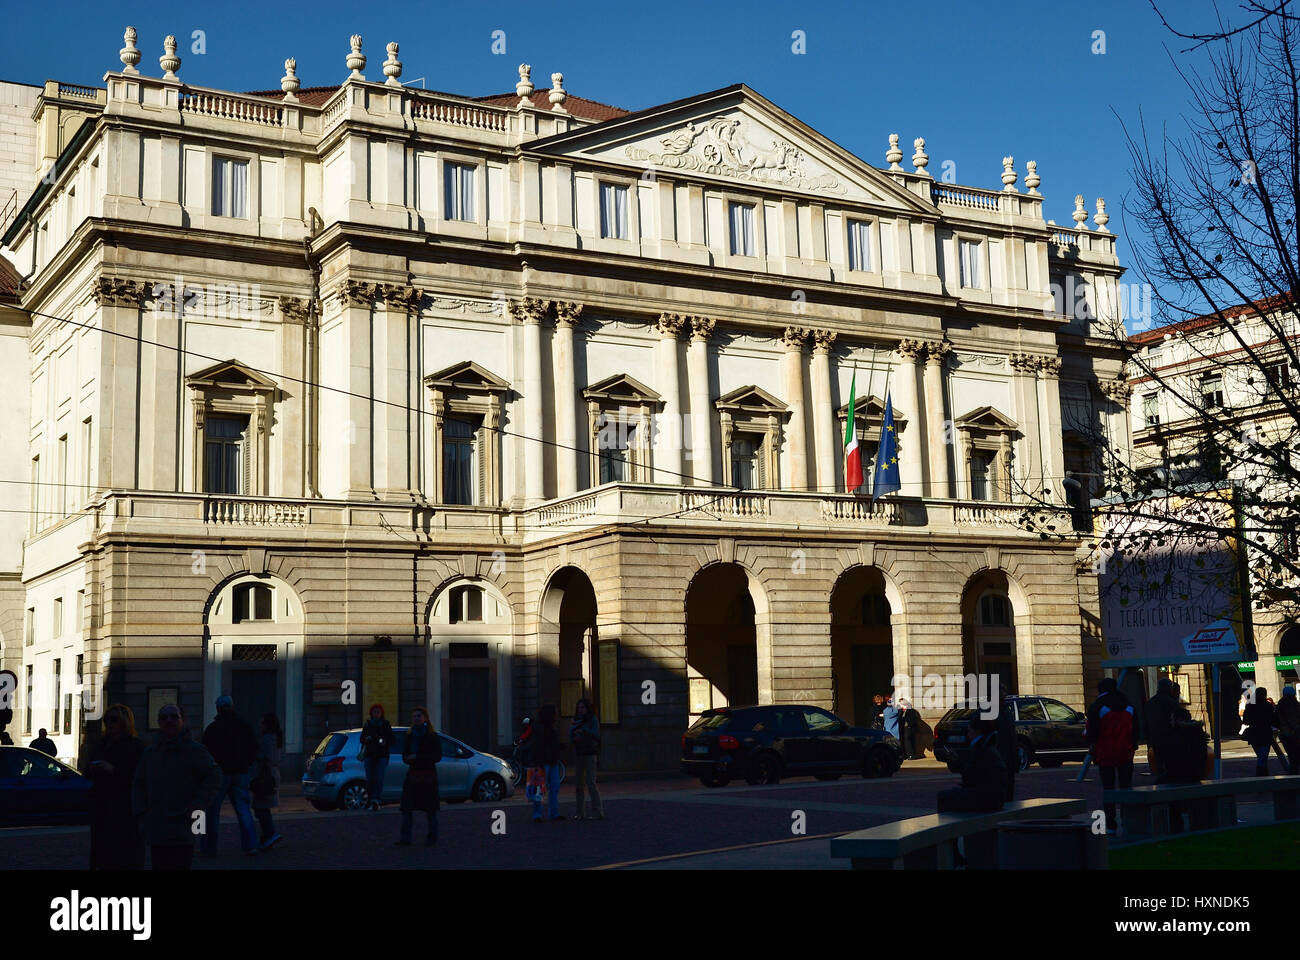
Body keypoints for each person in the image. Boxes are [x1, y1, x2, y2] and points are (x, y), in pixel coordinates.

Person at [131, 704, 221, 870]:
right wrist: (141, 814)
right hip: (157, 825)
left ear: (182, 720)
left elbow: (214, 777)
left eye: (174, 716)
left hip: (183, 823)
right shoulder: (150, 753)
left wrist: (198, 806)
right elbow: (139, 784)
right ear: (159, 722)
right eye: (164, 717)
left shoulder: (195, 750)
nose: (169, 720)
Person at [86, 703, 146, 869]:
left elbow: (138, 778)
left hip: (125, 809)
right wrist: (92, 768)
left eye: (114, 720)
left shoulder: (135, 746)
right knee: (101, 852)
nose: (109, 724)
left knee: (124, 854)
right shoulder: (101, 744)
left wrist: (112, 769)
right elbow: (87, 771)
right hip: (101, 807)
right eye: (107, 720)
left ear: (125, 722)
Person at [200, 695, 260, 857]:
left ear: (218, 708)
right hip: (240, 772)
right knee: (243, 810)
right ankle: (250, 845)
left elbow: (205, 752)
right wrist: (246, 764)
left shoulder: (213, 728)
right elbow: (254, 747)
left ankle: (208, 847)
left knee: (212, 812)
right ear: (232, 706)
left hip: (219, 773)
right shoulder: (244, 726)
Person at [1086, 678, 1138, 834]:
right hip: (1126, 751)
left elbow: (1092, 731)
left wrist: (1092, 744)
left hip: (1106, 752)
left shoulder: (1098, 706)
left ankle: (1110, 823)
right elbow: (1136, 728)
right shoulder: (1129, 705)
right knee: (1126, 787)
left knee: (1108, 789)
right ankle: (1128, 820)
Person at [937, 716, 1007, 813]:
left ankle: (951, 827)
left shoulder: (980, 748)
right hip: (993, 796)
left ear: (977, 731)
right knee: (953, 794)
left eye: (969, 731)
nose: (968, 734)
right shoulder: (987, 746)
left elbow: (969, 776)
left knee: (943, 797)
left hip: (986, 798)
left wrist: (955, 761)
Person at [397, 706, 440, 847]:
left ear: (425, 718)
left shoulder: (432, 736)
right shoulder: (409, 735)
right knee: (406, 809)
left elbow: (437, 756)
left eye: (418, 716)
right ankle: (405, 838)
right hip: (413, 775)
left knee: (431, 811)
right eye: (414, 716)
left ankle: (432, 838)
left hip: (428, 777)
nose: (416, 719)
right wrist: (407, 758)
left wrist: (418, 757)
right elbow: (404, 754)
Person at [250, 713, 283, 851]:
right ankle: (267, 836)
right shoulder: (276, 738)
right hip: (271, 774)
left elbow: (265, 757)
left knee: (261, 807)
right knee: (264, 807)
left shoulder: (267, 739)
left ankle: (270, 833)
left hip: (265, 776)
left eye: (263, 723)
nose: (260, 725)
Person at [570, 698, 603, 820]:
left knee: (590, 782)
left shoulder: (592, 719)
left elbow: (596, 734)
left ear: (587, 708)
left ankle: (597, 811)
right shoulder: (576, 721)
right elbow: (571, 735)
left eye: (582, 707)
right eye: (579, 708)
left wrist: (583, 731)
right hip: (579, 753)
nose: (580, 710)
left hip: (590, 753)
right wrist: (574, 734)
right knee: (578, 785)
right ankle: (580, 812)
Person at [531, 703, 565, 822]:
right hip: (546, 761)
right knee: (549, 788)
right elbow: (540, 745)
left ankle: (540, 814)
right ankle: (550, 813)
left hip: (548, 761)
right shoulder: (546, 728)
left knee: (544, 788)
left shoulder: (541, 727)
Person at [359, 704, 393, 811]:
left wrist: (384, 741)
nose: (376, 714)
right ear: (371, 713)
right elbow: (361, 739)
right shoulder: (368, 724)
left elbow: (392, 739)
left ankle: (376, 799)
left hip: (382, 755)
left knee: (379, 778)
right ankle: (370, 799)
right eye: (375, 712)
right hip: (369, 754)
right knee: (369, 779)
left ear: (381, 713)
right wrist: (366, 739)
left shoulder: (385, 724)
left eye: (378, 712)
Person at [1144, 678, 1178, 778]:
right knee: (1171, 764)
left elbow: (1145, 723)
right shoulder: (1172, 702)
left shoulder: (1150, 703)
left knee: (1159, 764)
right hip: (1169, 738)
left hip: (1154, 738)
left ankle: (1160, 780)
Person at [1242, 686, 1278, 777]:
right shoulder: (1268, 705)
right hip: (1265, 733)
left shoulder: (1250, 705)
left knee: (1260, 756)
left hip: (1254, 733)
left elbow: (1245, 720)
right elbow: (1273, 720)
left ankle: (1263, 775)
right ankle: (1262, 775)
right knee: (1263, 757)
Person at [1276, 686, 1300, 774]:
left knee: (1291, 754)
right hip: (1295, 733)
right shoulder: (1295, 705)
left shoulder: (1280, 705)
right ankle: (1294, 771)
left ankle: (1293, 771)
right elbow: (1294, 720)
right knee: (1296, 754)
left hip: (1284, 733)